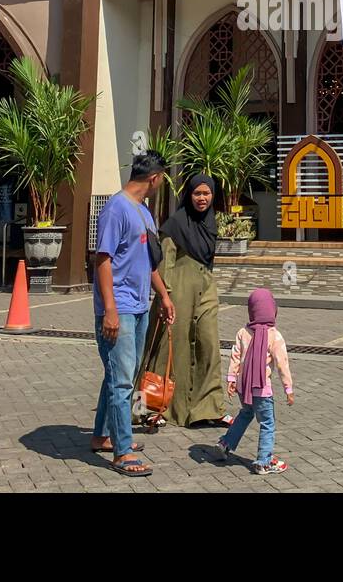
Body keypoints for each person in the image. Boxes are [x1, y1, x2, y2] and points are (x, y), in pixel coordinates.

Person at [91, 151, 174, 477]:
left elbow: (149, 262)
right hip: (120, 309)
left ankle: (102, 436)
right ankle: (122, 451)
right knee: (122, 380)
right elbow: (103, 260)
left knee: (119, 374)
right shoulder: (116, 209)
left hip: (140, 306)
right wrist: (109, 310)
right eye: (162, 179)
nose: (160, 185)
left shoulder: (144, 213)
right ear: (154, 178)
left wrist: (164, 296)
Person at [137, 174, 231, 428]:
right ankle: (149, 407)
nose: (202, 199)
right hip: (177, 292)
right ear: (188, 195)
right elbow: (164, 262)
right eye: (197, 194)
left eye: (207, 194)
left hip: (206, 290)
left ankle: (209, 408)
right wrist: (164, 296)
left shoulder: (210, 223)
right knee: (166, 349)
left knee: (208, 345)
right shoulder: (174, 225)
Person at [215, 288, 293, 475]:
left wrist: (232, 379)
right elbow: (283, 364)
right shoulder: (274, 335)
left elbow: (235, 356)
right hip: (262, 390)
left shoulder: (243, 332)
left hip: (244, 387)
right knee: (267, 422)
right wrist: (288, 388)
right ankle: (264, 461)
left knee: (245, 413)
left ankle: (226, 443)